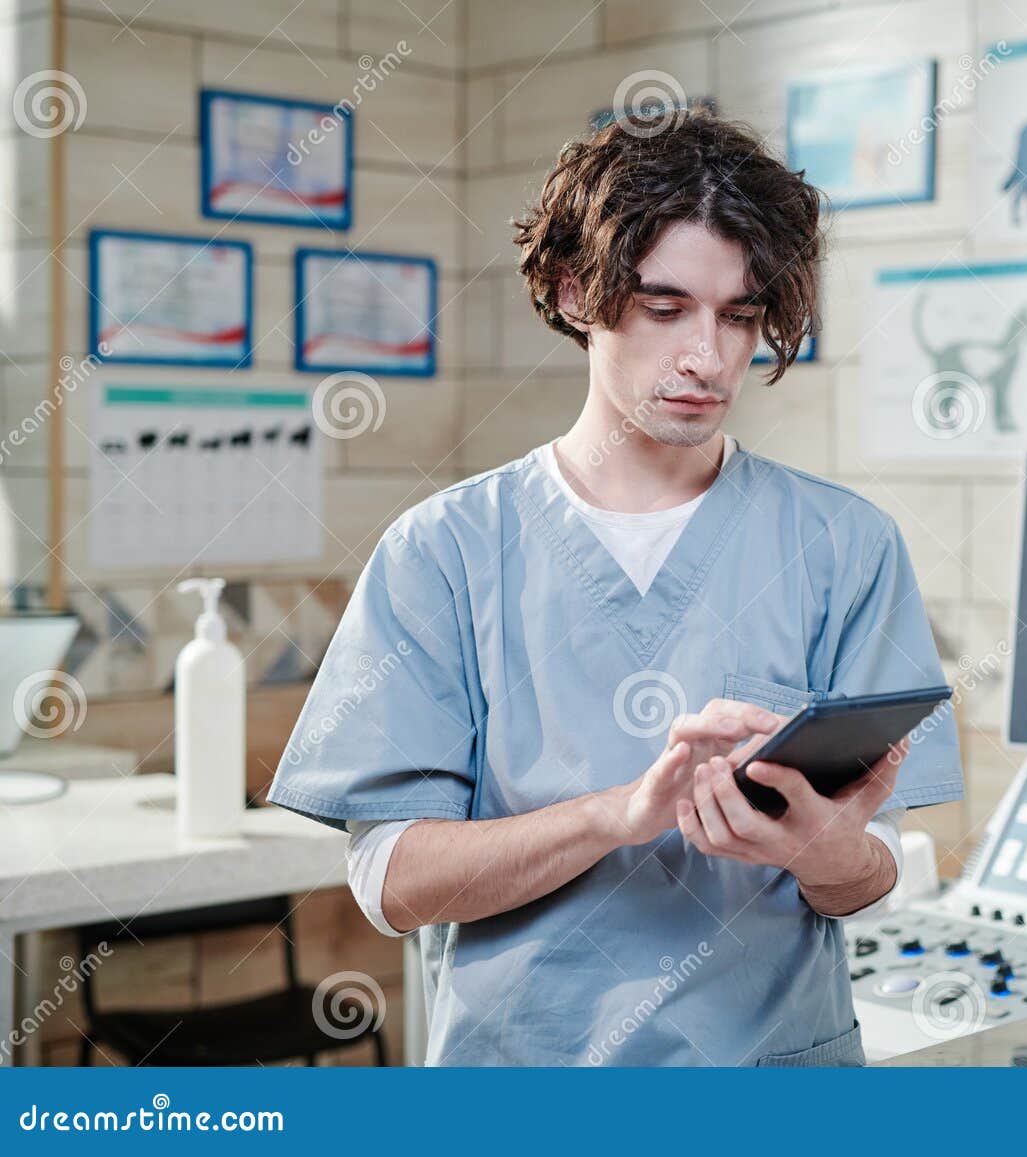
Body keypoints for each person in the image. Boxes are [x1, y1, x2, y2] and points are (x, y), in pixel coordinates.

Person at [266, 107, 964, 1066]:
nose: (708, 357)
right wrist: (615, 815)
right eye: (666, 308)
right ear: (574, 288)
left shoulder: (844, 544)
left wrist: (823, 849)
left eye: (742, 316)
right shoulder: (447, 550)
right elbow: (392, 883)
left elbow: (861, 878)